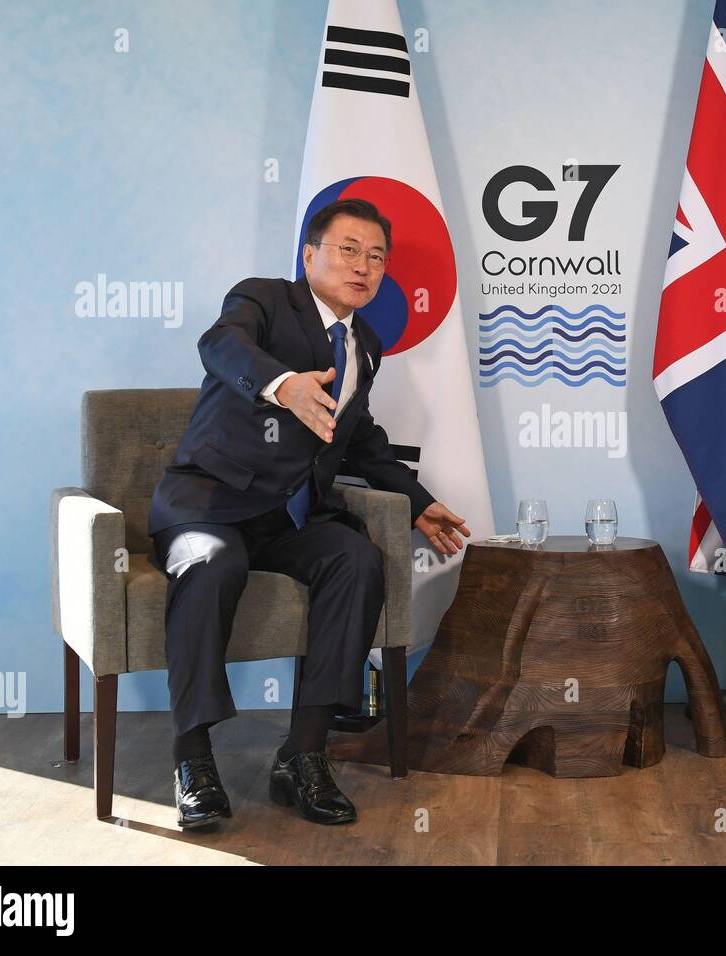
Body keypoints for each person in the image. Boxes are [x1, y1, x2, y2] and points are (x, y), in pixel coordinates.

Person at [146, 197, 470, 828]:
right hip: (209, 505)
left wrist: (420, 503)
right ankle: (193, 759)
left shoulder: (365, 344)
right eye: (349, 250)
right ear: (310, 254)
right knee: (210, 564)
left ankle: (304, 753)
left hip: (288, 520)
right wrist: (282, 385)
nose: (364, 266)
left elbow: (361, 440)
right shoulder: (264, 300)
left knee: (356, 560)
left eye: (376, 257)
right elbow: (220, 344)